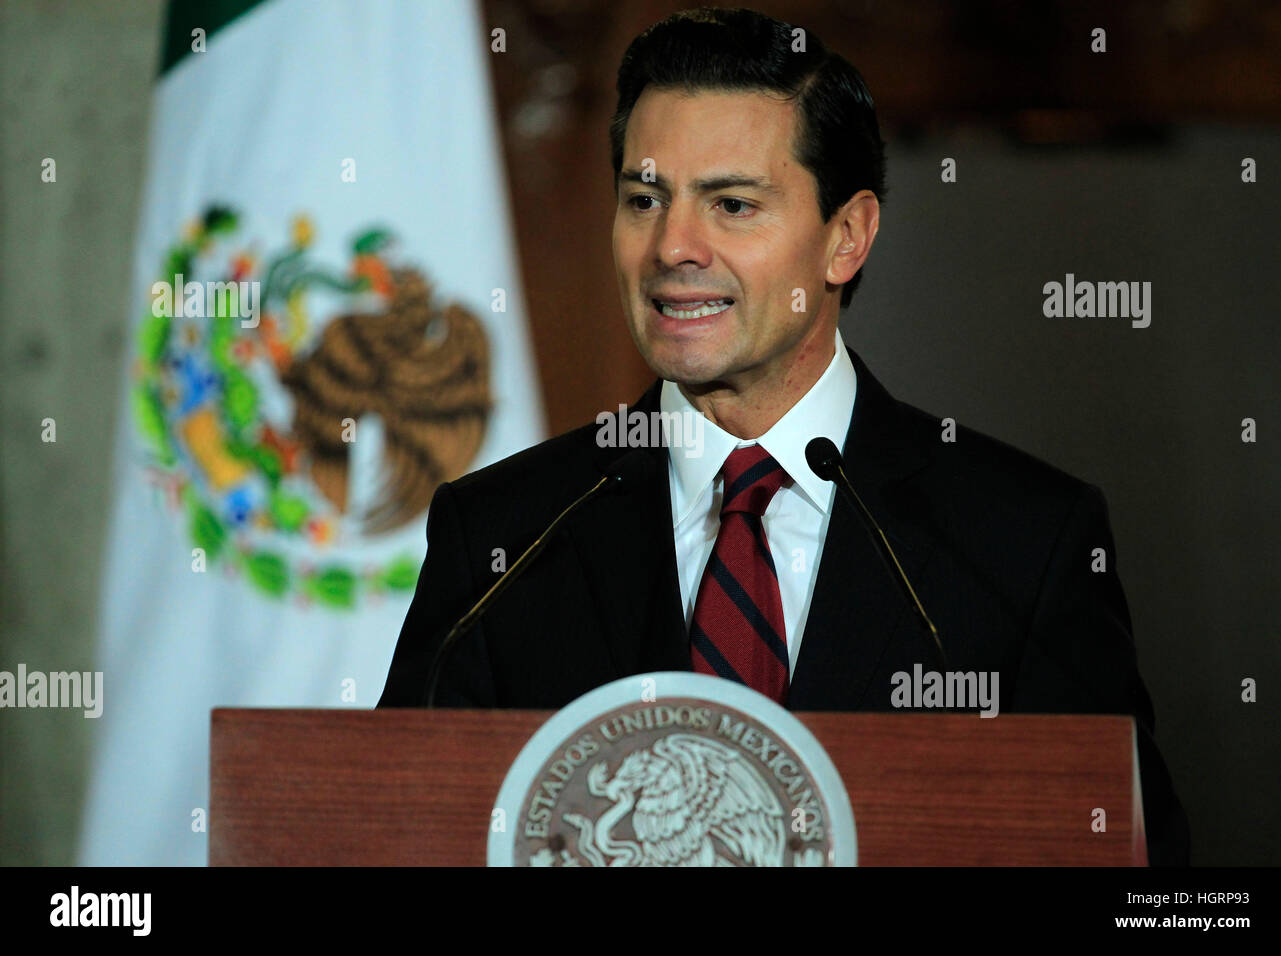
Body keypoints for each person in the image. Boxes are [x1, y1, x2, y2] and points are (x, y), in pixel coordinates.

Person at [378, 7, 1190, 866]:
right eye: (643, 199)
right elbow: (397, 835)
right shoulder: (503, 537)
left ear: (846, 237)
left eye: (731, 204)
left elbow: (1145, 883)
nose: (673, 248)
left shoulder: (1022, 543)